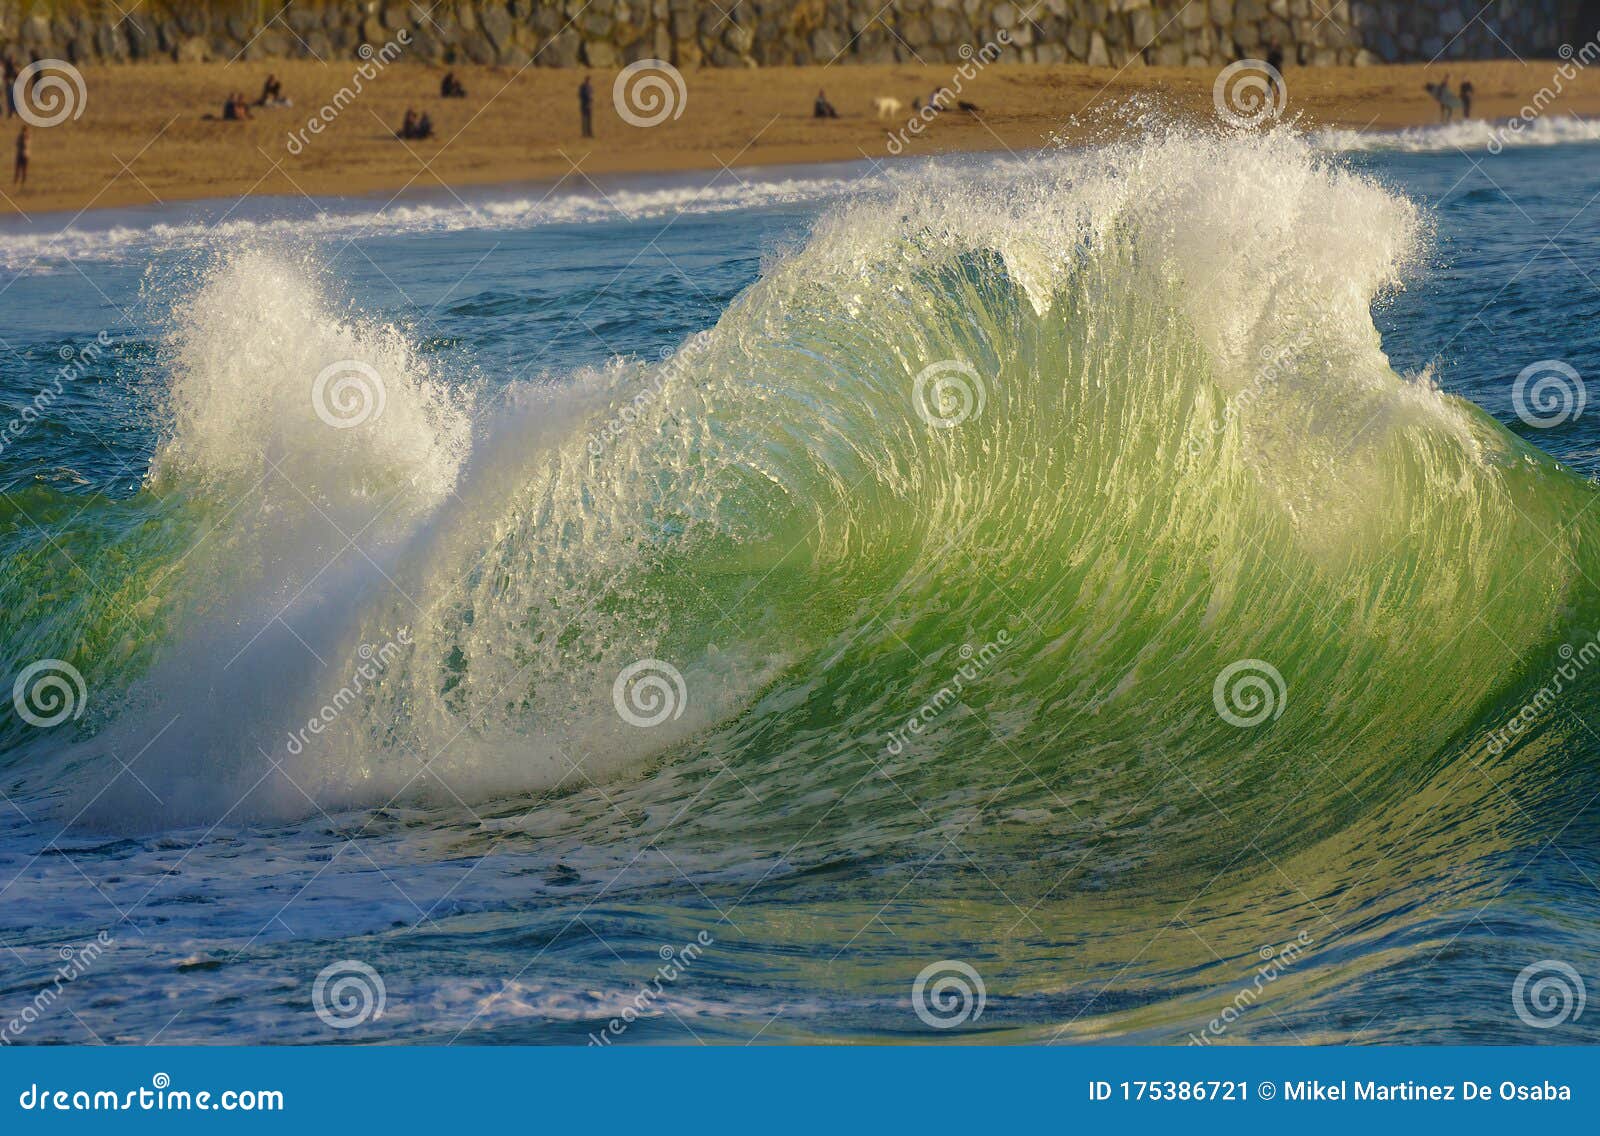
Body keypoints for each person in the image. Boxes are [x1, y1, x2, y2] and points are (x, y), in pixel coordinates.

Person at [13, 125, 28, 189]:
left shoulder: (25, 136)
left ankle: (21, 181)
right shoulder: (23, 136)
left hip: (23, 155)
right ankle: (18, 181)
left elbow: (25, 145)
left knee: (22, 169)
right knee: (19, 169)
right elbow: (17, 144)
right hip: (22, 155)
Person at [2, 55, 17, 119]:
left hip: (10, 84)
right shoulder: (10, 68)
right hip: (10, 84)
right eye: (13, 59)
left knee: (11, 99)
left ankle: (12, 112)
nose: (14, 60)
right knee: (11, 99)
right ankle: (12, 112)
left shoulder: (10, 67)